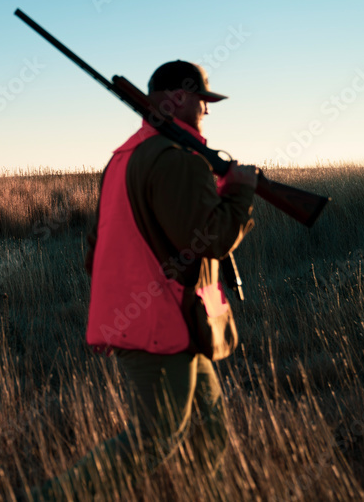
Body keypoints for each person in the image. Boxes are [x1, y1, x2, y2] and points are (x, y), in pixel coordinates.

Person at [34, 61, 259, 499]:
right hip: (161, 322)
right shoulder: (177, 159)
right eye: (201, 100)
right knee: (157, 436)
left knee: (208, 425)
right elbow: (209, 239)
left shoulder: (125, 155)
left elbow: (96, 246)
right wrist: (240, 192)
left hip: (165, 316)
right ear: (176, 98)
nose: (207, 111)